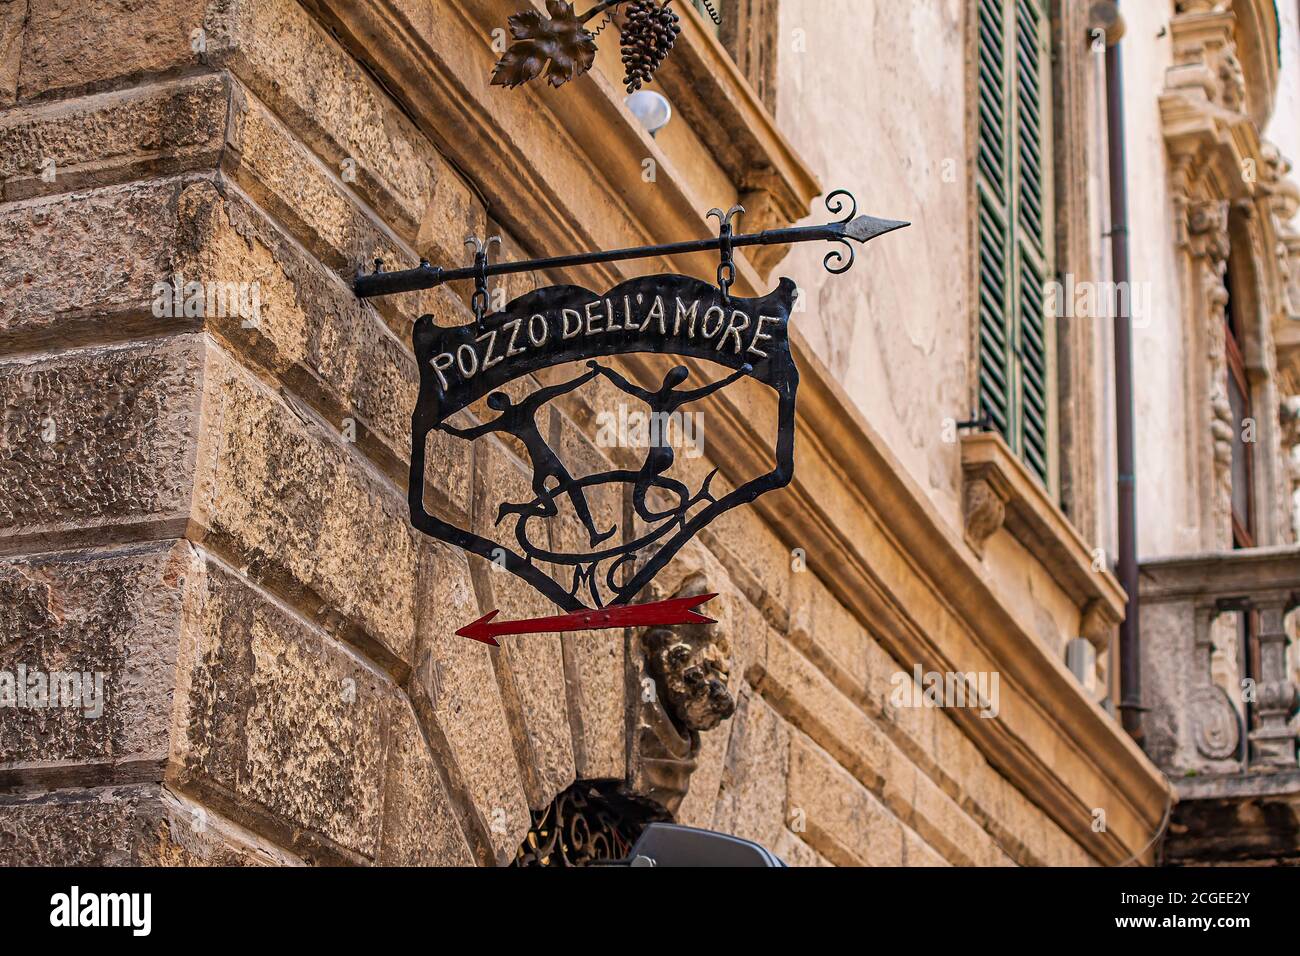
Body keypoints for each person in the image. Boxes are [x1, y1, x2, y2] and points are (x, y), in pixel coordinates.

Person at [437, 367, 616, 547]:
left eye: (499, 399)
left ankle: (592, 533)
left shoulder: (521, 409)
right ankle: (510, 508)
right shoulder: (510, 417)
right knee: (558, 501)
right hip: (545, 462)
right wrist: (444, 427)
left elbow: (561, 388)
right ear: (499, 406)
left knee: (566, 495)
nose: (501, 403)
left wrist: (591, 374)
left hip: (548, 460)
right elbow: (470, 434)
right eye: (497, 402)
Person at [589, 359, 751, 521]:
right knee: (642, 488)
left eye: (672, 378)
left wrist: (603, 369)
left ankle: (672, 513)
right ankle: (677, 511)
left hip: (659, 453)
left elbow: (625, 385)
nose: (670, 380)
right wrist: (603, 369)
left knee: (639, 488)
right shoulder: (668, 397)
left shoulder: (657, 397)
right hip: (664, 452)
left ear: (670, 380)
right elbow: (624, 384)